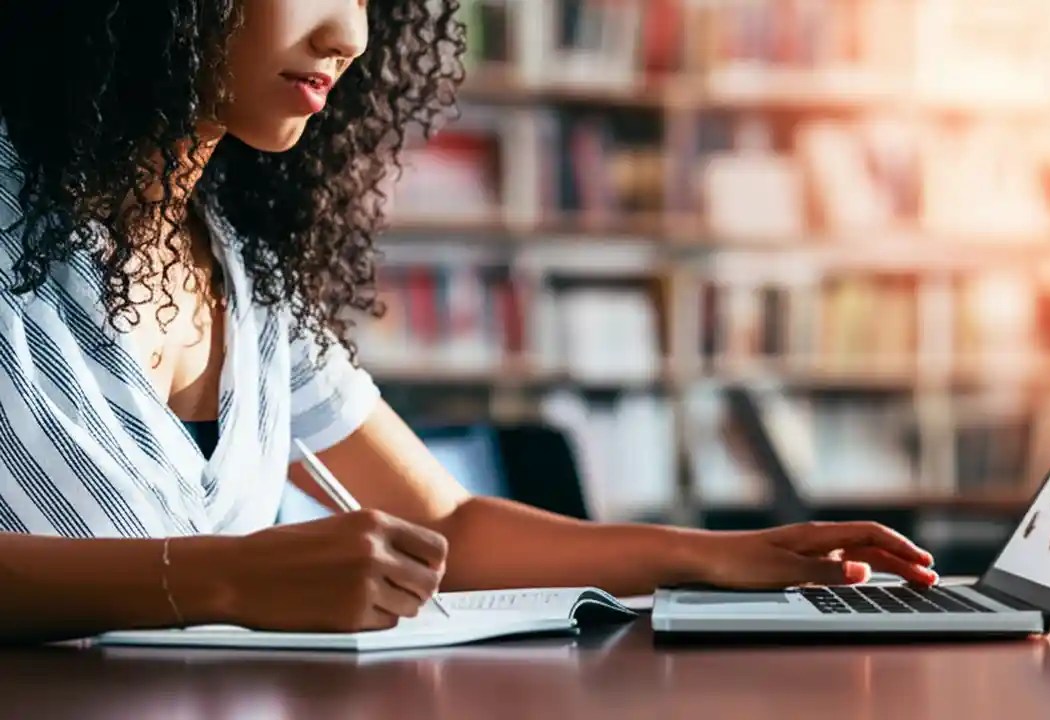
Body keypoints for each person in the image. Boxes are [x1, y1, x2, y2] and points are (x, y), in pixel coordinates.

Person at [0, 0, 936, 644]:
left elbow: (445, 522)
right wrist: (224, 581)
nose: (350, 35)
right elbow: (229, 578)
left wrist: (722, 557)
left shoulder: (243, 274)